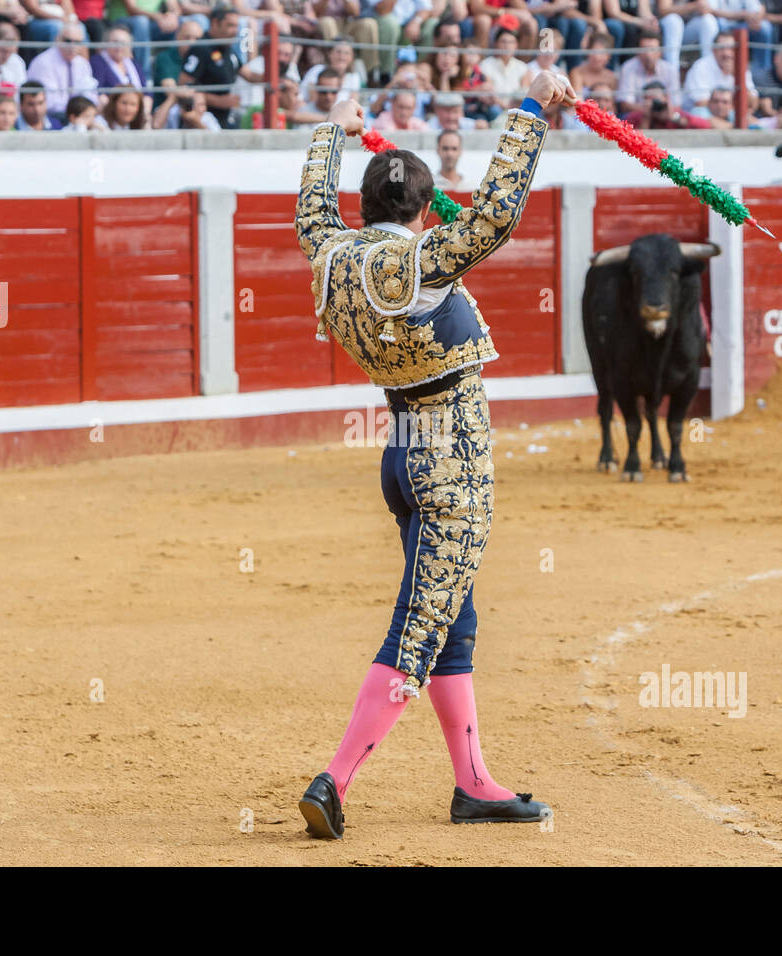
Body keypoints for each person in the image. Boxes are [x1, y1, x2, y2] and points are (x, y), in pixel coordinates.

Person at [291, 69, 576, 839]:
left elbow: (312, 207)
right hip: (450, 462)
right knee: (418, 628)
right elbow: (496, 217)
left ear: (364, 206)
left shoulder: (331, 257)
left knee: (453, 618)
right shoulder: (415, 265)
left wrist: (334, 127)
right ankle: (334, 779)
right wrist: (529, 114)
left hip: (401, 451)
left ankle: (474, 783)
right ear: (421, 211)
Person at [178, 4, 244, 127]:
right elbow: (184, 87)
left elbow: (249, 74)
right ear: (215, 22)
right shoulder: (201, 48)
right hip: (202, 120)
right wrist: (219, 101)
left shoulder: (227, 48)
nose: (235, 31)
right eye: (230, 25)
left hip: (226, 119)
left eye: (236, 26)